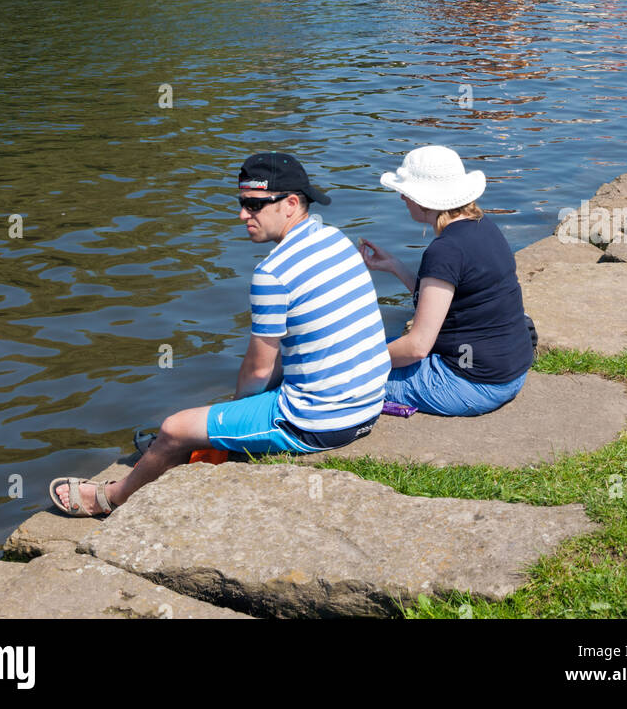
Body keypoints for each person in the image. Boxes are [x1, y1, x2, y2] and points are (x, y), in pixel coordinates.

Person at [49, 153, 391, 517]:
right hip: (367, 406)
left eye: (255, 205)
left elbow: (259, 371)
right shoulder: (335, 240)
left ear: (291, 204)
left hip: (319, 423)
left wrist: (233, 409)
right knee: (215, 417)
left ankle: (113, 497)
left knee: (175, 427)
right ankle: (188, 449)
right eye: (242, 203)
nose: (243, 215)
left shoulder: (272, 274)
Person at [358, 147, 533, 417]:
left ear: (424, 200)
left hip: (470, 384)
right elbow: (451, 303)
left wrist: (355, 366)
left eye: (407, 192)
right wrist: (395, 266)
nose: (402, 197)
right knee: (368, 348)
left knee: (341, 376)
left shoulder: (445, 250)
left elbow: (417, 348)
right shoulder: (483, 226)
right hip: (509, 373)